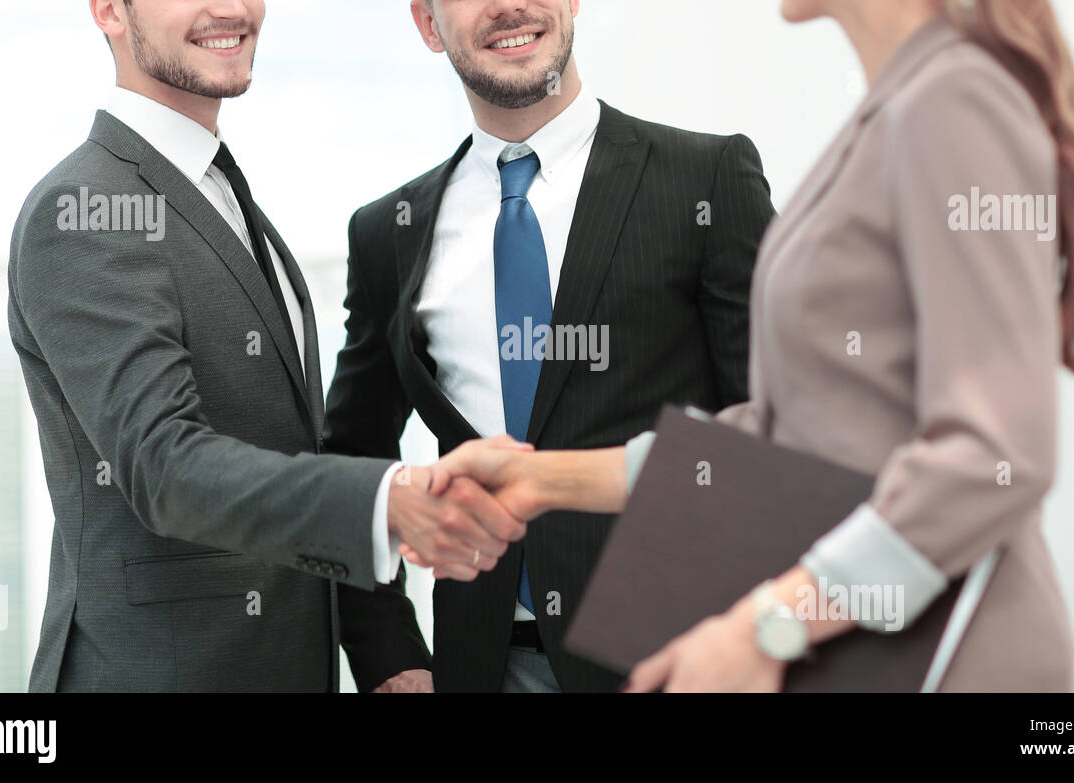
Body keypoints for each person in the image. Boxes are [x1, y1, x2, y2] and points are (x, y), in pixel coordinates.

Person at [427, 0, 1074, 692]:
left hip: (954, 658)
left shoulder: (951, 100)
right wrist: (544, 481)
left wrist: (769, 625)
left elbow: (994, 454)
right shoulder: (892, 114)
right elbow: (779, 437)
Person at [8, 0, 524, 692]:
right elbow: (165, 466)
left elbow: (290, 452)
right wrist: (387, 501)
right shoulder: (84, 208)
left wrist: (383, 652)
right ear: (108, 10)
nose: (231, 9)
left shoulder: (219, 191)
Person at [322, 0, 774, 692]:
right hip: (483, 663)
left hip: (682, 657)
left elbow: (779, 432)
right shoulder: (389, 231)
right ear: (426, 22)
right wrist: (392, 654)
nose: (509, 6)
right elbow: (353, 460)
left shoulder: (706, 179)